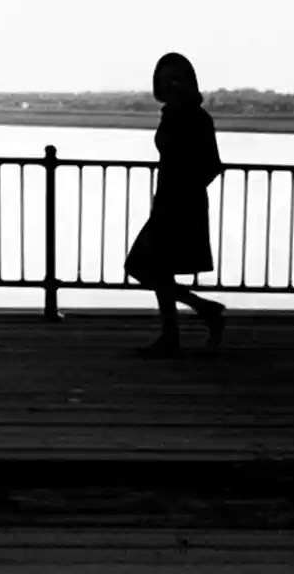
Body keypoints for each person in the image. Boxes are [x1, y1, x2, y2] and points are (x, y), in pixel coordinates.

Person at [124, 52, 227, 358]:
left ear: (188, 81)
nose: (170, 84)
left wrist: (186, 188)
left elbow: (212, 164)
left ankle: (188, 323)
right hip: (167, 201)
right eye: (165, 78)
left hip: (183, 203)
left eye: (176, 78)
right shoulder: (171, 113)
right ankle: (195, 316)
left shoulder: (196, 117)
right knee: (155, 268)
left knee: (143, 266)